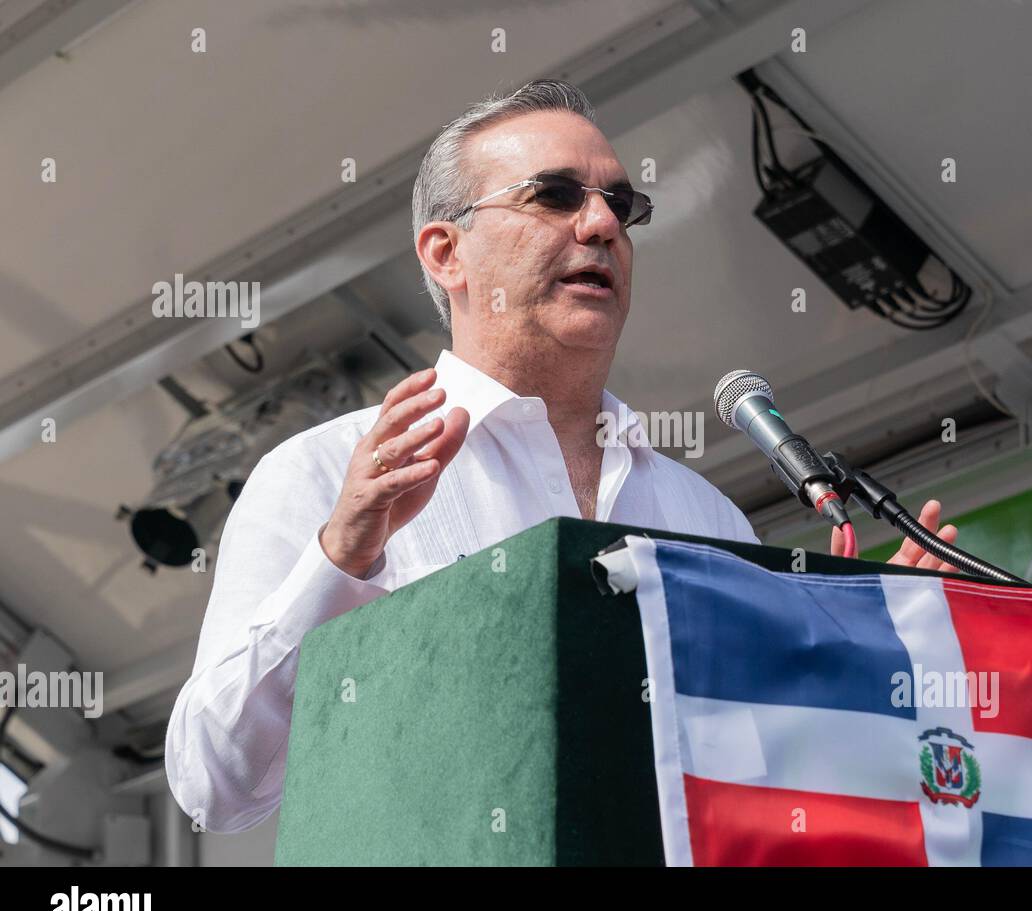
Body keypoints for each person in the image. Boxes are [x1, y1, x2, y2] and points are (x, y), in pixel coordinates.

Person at [164, 79, 960, 834]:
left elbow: (758, 779)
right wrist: (343, 554)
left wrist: (866, 670)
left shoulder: (703, 513)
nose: (603, 224)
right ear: (446, 254)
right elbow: (214, 786)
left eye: (621, 204)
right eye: (554, 195)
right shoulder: (327, 472)